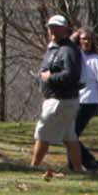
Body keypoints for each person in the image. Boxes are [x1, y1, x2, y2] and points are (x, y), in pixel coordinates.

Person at [32, 15, 85, 175]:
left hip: (61, 100)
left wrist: (50, 78)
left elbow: (71, 75)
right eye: (50, 27)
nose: (53, 30)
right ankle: (78, 169)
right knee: (70, 137)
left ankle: (33, 167)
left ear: (65, 30)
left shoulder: (68, 50)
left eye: (57, 27)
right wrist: (40, 79)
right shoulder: (54, 48)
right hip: (59, 100)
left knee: (42, 133)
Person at [73, 27, 98, 173]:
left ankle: (91, 163)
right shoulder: (76, 57)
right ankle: (76, 165)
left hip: (88, 101)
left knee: (71, 135)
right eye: (83, 39)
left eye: (89, 39)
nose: (86, 42)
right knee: (70, 136)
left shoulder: (97, 61)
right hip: (76, 101)